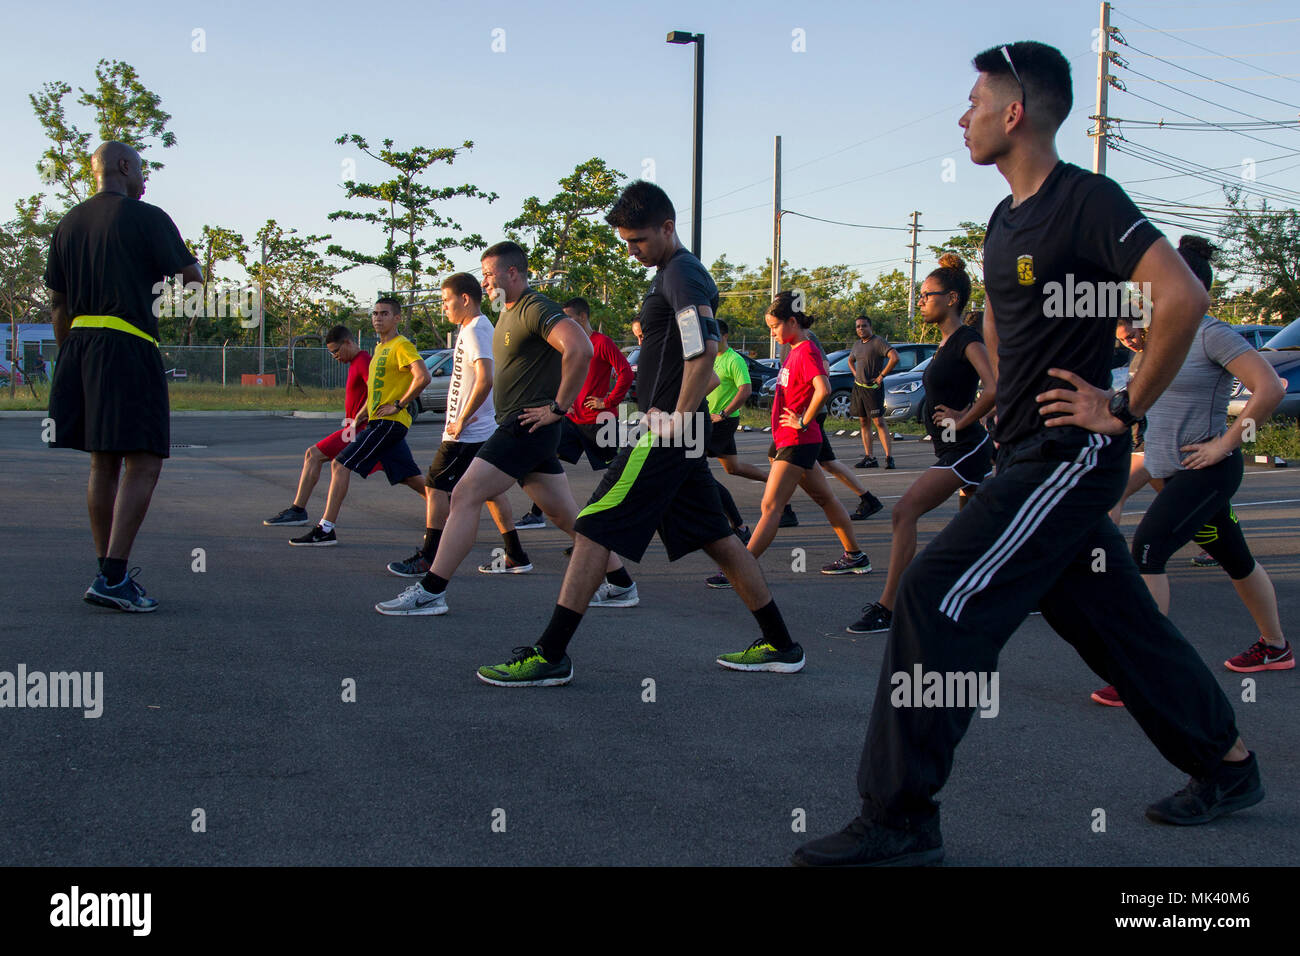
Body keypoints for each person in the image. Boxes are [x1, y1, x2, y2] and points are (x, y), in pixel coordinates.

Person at [795, 42, 1260, 867]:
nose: (962, 115)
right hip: (1021, 455)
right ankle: (1226, 765)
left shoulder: (1086, 200)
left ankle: (901, 817)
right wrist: (984, 411)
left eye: (975, 100)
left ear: (1015, 112)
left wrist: (1122, 407)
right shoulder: (1005, 221)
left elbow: (1180, 297)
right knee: (1120, 627)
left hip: (1068, 456)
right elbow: (1014, 347)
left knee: (937, 597)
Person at [476, 182, 803, 684]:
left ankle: (550, 655)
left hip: (663, 433)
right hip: (679, 432)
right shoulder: (673, 274)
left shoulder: (681, 274)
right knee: (719, 538)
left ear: (668, 227)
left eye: (639, 241)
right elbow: (699, 362)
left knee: (592, 526)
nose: (632, 252)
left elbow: (705, 352)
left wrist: (676, 415)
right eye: (626, 242)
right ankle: (783, 645)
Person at [374, 241, 636, 616]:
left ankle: (431, 591)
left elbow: (580, 348)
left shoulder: (535, 307)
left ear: (512, 273)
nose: (485, 282)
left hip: (525, 426)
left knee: (463, 494)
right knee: (566, 517)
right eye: (482, 275)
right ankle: (621, 584)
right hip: (526, 429)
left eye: (490, 274)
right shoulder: (507, 313)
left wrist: (558, 409)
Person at [1090, 236, 1291, 706]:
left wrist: (1225, 443)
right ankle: (1275, 647)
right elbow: (1139, 407)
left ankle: (1146, 675)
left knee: (1148, 550)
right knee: (1237, 560)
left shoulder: (1211, 333)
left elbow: (1270, 390)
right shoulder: (1160, 339)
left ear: (1188, 286)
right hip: (1169, 471)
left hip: (1206, 473)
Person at [46, 141, 203, 611]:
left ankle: (105, 573)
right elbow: (193, 280)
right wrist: (154, 301)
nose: (144, 178)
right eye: (141, 169)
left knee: (103, 462)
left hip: (79, 348)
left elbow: (58, 305)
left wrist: (73, 354)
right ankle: (114, 577)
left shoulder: (67, 224)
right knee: (145, 460)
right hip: (128, 344)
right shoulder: (147, 216)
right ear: (121, 166)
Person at [847, 254, 996, 634]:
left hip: (967, 447)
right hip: (948, 447)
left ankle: (888, 607)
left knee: (904, 512)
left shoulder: (966, 338)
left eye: (927, 294)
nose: (920, 300)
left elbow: (995, 387)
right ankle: (1016, 588)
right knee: (978, 529)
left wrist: (964, 417)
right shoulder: (946, 343)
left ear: (952, 299)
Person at [705, 293, 871, 589]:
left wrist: (803, 420)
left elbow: (824, 388)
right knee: (825, 498)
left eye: (774, 327)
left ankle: (740, 568)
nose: (771, 333)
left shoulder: (806, 350)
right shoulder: (794, 348)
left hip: (798, 439)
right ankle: (855, 556)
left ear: (792, 321)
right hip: (792, 440)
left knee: (771, 506)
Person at [385, 273, 531, 577]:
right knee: (490, 492)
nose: (444, 308)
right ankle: (515, 554)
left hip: (466, 432)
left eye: (446, 301)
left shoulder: (477, 329)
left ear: (465, 299)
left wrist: (462, 419)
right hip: (476, 429)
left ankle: (428, 557)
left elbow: (486, 378)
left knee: (435, 487)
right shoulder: (472, 328)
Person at [289, 296, 429, 546]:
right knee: (410, 477)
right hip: (377, 422)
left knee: (340, 465)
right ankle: (448, 509)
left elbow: (423, 377)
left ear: (397, 318)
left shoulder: (401, 346)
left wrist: (399, 404)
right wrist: (358, 419)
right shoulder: (379, 349)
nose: (378, 318)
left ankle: (326, 529)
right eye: (375, 313)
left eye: (385, 313)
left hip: (390, 423)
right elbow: (375, 395)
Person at [516, 296, 634, 529]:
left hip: (599, 421)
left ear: (583, 317)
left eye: (569, 318)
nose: (565, 323)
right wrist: (561, 402)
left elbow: (626, 373)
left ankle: (623, 517)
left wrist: (608, 401)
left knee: (620, 471)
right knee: (543, 458)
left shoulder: (601, 342)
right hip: (570, 419)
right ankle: (537, 514)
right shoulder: (567, 346)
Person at [264, 325, 381, 527]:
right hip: (355, 430)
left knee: (314, 454)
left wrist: (360, 418)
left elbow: (377, 393)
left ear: (348, 342)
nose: (334, 356)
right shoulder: (355, 362)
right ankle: (440, 498)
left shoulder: (362, 361)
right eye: (331, 353)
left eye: (336, 351)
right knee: (405, 475)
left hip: (360, 431)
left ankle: (299, 511)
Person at [706, 318, 767, 538]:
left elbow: (746, 390)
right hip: (710, 419)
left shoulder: (734, 360)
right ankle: (776, 484)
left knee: (693, 466)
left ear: (724, 336)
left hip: (722, 421)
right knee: (733, 468)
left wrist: (722, 414)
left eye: (714, 336)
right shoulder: (711, 357)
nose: (710, 340)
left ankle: (738, 526)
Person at [848, 315, 898, 469]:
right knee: (863, 422)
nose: (861, 329)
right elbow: (850, 360)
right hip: (859, 388)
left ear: (870, 327)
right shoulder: (857, 345)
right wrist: (855, 373)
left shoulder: (878, 342)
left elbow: (894, 357)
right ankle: (869, 457)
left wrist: (881, 376)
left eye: (864, 326)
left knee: (879, 421)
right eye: (858, 326)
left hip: (873, 388)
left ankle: (889, 457)